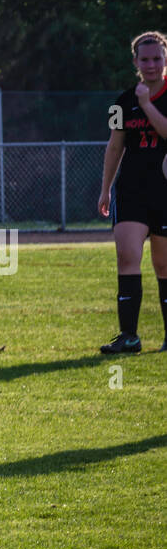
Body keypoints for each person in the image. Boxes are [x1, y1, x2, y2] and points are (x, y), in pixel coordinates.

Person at [97, 31, 167, 354]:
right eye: (145, 59)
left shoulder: (152, 98)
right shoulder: (121, 101)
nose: (151, 65)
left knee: (164, 265)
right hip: (132, 191)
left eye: (157, 58)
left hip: (164, 192)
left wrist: (146, 104)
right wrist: (105, 189)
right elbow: (115, 146)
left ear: (165, 60)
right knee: (127, 257)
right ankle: (129, 336)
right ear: (135, 62)